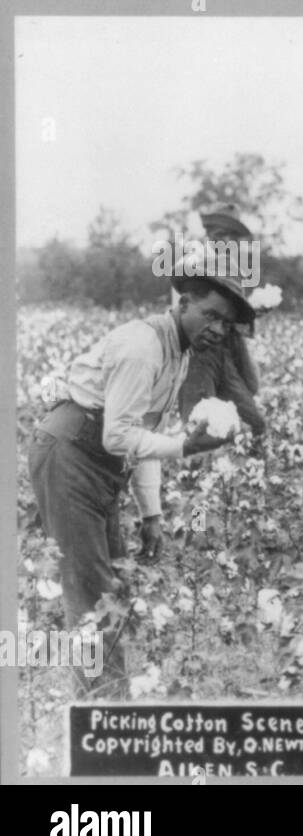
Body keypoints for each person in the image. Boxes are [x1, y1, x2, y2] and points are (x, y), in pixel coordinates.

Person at [28, 267, 252, 696]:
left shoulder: (178, 353)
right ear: (182, 303)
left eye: (226, 322)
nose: (218, 329)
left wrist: (152, 513)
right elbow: (119, 434)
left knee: (112, 585)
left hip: (101, 461)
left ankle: (107, 700)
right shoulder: (144, 348)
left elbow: (142, 431)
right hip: (71, 452)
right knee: (91, 593)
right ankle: (102, 714)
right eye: (211, 315)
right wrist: (185, 447)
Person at [176, 203, 266, 438]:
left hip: (228, 349)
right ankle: (195, 470)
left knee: (254, 423)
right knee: (200, 422)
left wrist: (253, 313)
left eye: (232, 237)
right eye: (219, 236)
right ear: (207, 236)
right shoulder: (191, 263)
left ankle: (242, 468)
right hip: (199, 353)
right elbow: (181, 312)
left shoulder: (236, 267)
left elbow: (238, 319)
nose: (225, 242)